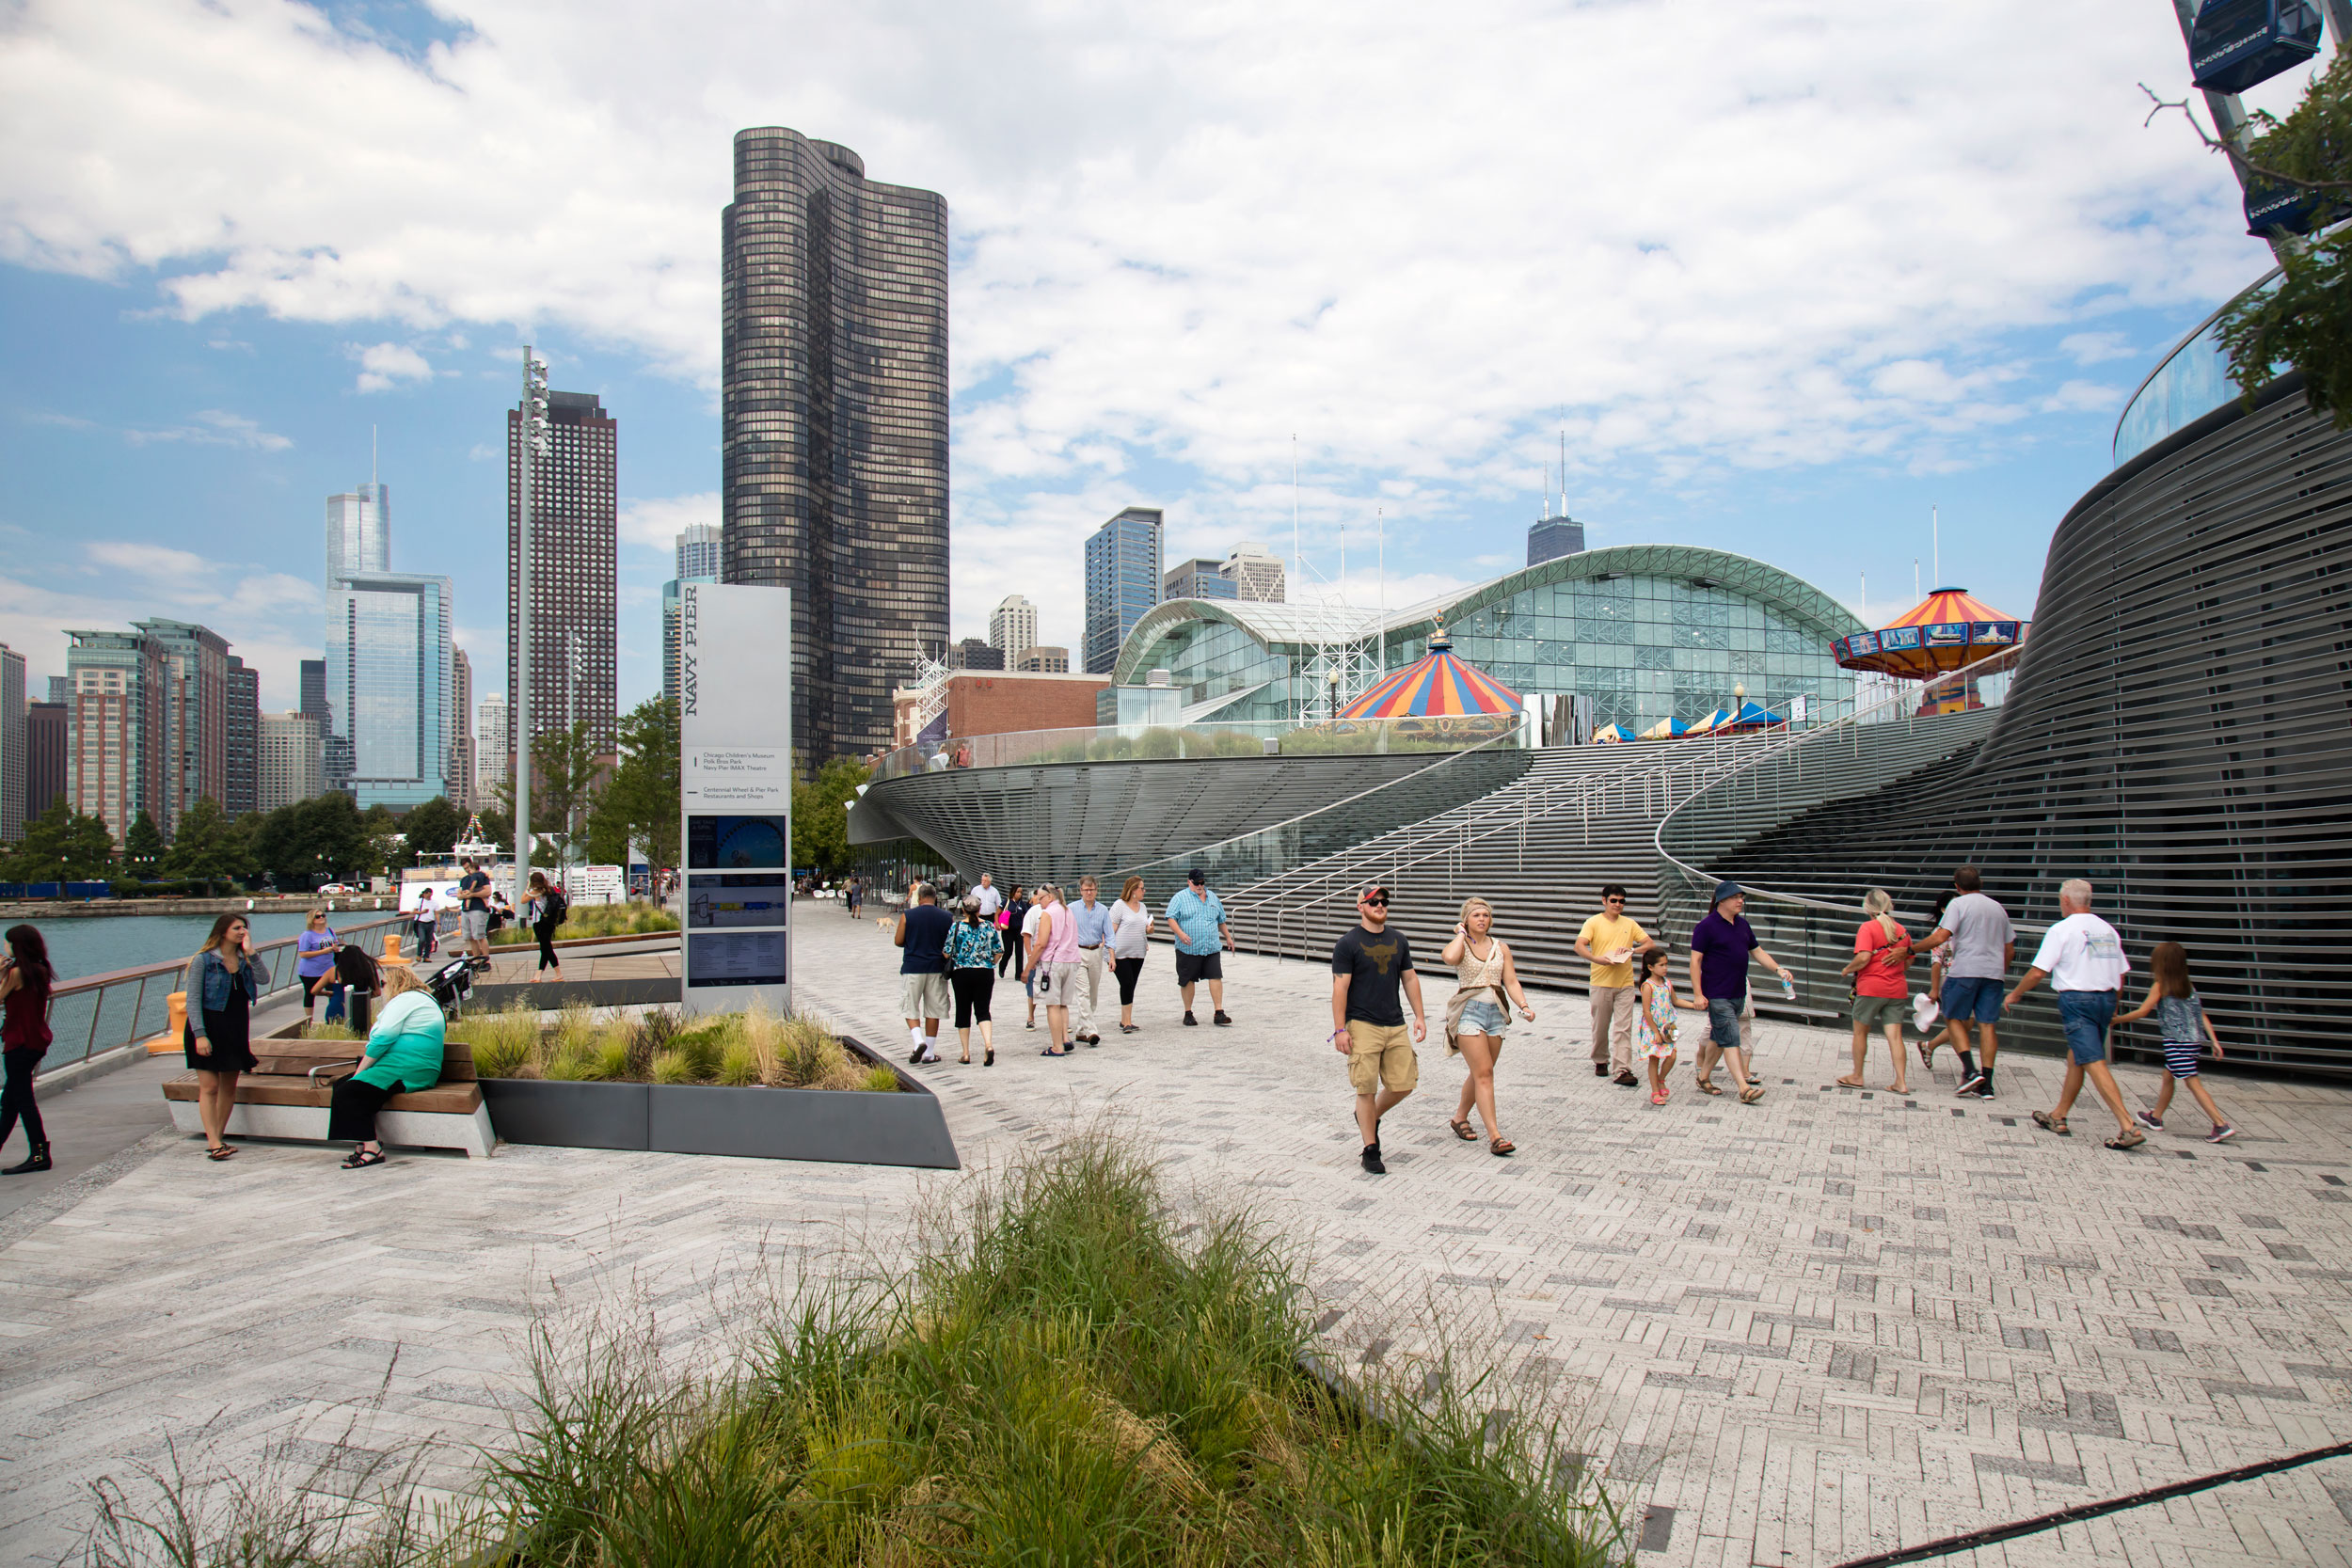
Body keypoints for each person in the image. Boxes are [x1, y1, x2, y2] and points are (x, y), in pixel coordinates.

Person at [2013, 879, 2141, 1150]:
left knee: (2093, 1060)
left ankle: (2127, 1125)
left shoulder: (2062, 929)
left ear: (2067, 900)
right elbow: (2120, 973)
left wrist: (2015, 993)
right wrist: (2113, 1003)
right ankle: (2059, 1115)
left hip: (2077, 1000)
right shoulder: (2106, 930)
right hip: (2105, 999)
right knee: (2077, 1058)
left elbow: (2038, 971)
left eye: (2061, 900)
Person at [1331, 886, 1425, 1175]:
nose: (1380, 905)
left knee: (1404, 1083)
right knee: (1366, 1087)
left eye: (1384, 901)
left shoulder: (1398, 940)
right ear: (1361, 906)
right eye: (1374, 901)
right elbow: (1340, 987)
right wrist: (1339, 1030)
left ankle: (1369, 1117)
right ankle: (1370, 1150)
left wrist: (1420, 1016)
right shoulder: (1348, 943)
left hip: (1395, 1023)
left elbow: (1409, 979)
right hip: (1362, 1024)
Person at [1908, 867, 2015, 1099]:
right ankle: (1987, 1085)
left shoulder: (1958, 905)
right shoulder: (1998, 908)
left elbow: (1939, 937)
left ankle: (1970, 1070)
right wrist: (2000, 971)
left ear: (1957, 886)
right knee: (1987, 1025)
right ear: (1981, 882)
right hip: (1993, 974)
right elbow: (2009, 948)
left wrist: (1910, 949)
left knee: (1954, 1019)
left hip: (1965, 971)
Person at [1439, 896, 1535, 1156]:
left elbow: (1511, 981)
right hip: (1469, 1011)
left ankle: (1460, 1117)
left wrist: (1524, 1006)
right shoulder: (1461, 945)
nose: (1482, 919)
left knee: (1482, 1071)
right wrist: (1460, 934)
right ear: (1466, 920)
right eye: (1476, 915)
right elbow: (1449, 957)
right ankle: (1496, 1136)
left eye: (1485, 915)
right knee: (1484, 1073)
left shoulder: (1500, 947)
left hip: (1495, 1012)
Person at [326, 965, 446, 1169]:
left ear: (396, 982)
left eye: (383, 983)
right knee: (342, 1086)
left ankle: (373, 1149)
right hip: (411, 1066)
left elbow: (384, 1037)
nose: (380, 987)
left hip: (408, 1068)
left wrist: (360, 1071)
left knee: (349, 1091)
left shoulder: (404, 1000)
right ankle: (362, 1142)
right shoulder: (422, 999)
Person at [1687, 881, 1791, 1104]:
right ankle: (1743, 1088)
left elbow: (1758, 952)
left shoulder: (1742, 925)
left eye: (1742, 897)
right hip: (1717, 993)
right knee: (1732, 1037)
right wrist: (1698, 993)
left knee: (1719, 1036)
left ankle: (1703, 1077)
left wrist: (1778, 969)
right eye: (1737, 897)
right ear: (1722, 900)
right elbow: (1695, 961)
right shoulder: (1706, 926)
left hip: (1737, 992)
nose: (1741, 901)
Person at [2122, 942, 2233, 1143]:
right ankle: (2155, 1118)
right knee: (2168, 1075)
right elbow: (2200, 1014)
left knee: (2192, 1081)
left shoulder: (2161, 985)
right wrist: (2214, 1040)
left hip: (2176, 1042)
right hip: (2193, 1041)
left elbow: (2143, 1011)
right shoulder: (2187, 985)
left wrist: (2115, 1020)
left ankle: (2220, 1124)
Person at [183, 913, 270, 1161]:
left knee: (228, 1087)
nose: (242, 932)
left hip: (235, 1027)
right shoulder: (204, 961)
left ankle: (216, 1139)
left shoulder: (244, 961)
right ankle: (213, 1142)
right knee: (209, 1087)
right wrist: (200, 1035)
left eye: (245, 928)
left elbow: (264, 979)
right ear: (223, 932)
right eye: (237, 928)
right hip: (209, 1027)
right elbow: (193, 1000)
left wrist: (251, 952)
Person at [1837, 889, 1913, 1094]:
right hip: (1896, 989)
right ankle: (1901, 1082)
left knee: (1861, 1033)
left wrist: (1847, 969)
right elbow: (1908, 961)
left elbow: (1863, 957)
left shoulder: (1867, 928)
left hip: (1871, 988)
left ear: (1867, 907)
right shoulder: (1902, 930)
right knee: (1895, 1036)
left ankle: (1857, 1075)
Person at [1575, 884, 1649, 1085]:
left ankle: (1622, 1070)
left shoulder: (1629, 923)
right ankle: (1600, 1060)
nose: (1618, 904)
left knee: (1623, 1028)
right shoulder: (1593, 922)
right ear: (1604, 901)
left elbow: (1649, 943)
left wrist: (1632, 950)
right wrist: (1597, 959)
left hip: (1625, 983)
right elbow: (1579, 945)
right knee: (1601, 1026)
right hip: (1601, 981)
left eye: (1621, 901)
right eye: (1614, 900)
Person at [0, 925, 56, 1175]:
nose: (4, 947)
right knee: (10, 1101)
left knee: (22, 1101)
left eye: (7, 942)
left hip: (20, 1044)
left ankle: (40, 1154)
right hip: (34, 1041)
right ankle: (38, 1153)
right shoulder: (39, 969)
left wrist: (2, 973)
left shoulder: (17, 973)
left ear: (16, 946)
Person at [1163, 868, 1232, 1026]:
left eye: (1202, 882)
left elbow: (1221, 919)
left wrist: (1228, 937)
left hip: (1211, 947)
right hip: (1188, 948)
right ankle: (1188, 1013)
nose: (1200, 886)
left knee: (1215, 976)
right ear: (1189, 882)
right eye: (1196, 883)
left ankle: (1219, 1012)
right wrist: (1180, 934)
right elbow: (1171, 918)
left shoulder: (1213, 897)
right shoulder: (1180, 898)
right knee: (1188, 980)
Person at [894, 881, 953, 1064]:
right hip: (936, 968)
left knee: (910, 1006)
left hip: (913, 966)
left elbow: (898, 941)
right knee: (933, 1010)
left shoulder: (908, 915)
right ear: (935, 898)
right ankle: (930, 1052)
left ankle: (918, 1040)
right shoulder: (947, 917)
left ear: (919, 898)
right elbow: (949, 944)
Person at [946, 895, 1002, 1066]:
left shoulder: (957, 927)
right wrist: (989, 962)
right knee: (983, 1010)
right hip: (984, 972)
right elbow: (998, 951)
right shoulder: (989, 927)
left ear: (963, 909)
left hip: (962, 973)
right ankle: (988, 1044)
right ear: (980, 910)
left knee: (963, 1010)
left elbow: (947, 951)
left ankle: (965, 1053)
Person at [1635, 945, 1691, 1105]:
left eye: (1666, 964)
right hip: (1652, 1028)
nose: (1665, 968)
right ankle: (1654, 1091)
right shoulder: (1648, 986)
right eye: (1661, 965)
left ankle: (1661, 1079)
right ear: (1650, 967)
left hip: (1667, 1027)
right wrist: (1655, 1032)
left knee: (1672, 1056)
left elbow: (1676, 1001)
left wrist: (1694, 1005)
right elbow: (1646, 1011)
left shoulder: (1667, 983)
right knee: (1654, 1059)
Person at [1033, 883, 1082, 1056]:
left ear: (1050, 897)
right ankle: (1064, 1039)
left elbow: (1041, 943)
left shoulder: (1048, 913)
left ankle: (1057, 1046)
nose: (1039, 902)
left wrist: (1028, 965)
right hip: (1071, 959)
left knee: (1052, 1004)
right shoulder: (1067, 911)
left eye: (1041, 898)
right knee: (1063, 1003)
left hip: (1054, 962)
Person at [1068, 876, 1112, 1046]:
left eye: (1092, 889)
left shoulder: (1102, 910)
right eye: (1086, 889)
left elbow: (1109, 935)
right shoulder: (1071, 909)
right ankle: (1092, 1030)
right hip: (1078, 951)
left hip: (1096, 951)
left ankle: (1081, 1030)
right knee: (1083, 992)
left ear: (1096, 890)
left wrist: (1111, 956)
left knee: (1093, 994)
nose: (1089, 892)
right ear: (1081, 891)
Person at [1109, 875, 1152, 1034]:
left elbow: (1143, 927)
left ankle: (1124, 1020)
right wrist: (1110, 954)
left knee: (1131, 985)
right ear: (1133, 890)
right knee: (1126, 983)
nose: (1144, 891)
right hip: (1121, 954)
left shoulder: (1143, 907)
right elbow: (1110, 930)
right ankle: (1127, 1022)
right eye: (1141, 888)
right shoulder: (1119, 906)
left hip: (1138, 952)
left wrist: (1149, 931)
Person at [296, 909, 339, 1028]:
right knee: (310, 994)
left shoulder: (330, 931)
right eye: (318, 916)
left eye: (323, 915)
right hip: (310, 970)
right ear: (312, 920)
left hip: (329, 968)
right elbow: (303, 954)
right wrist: (323, 951)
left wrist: (335, 949)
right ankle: (309, 1021)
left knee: (335, 993)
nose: (321, 918)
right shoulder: (307, 935)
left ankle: (333, 1019)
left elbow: (335, 944)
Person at [525, 872, 565, 982]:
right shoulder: (549, 890)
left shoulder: (535, 892)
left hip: (539, 923)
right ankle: (541, 974)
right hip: (549, 922)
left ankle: (556, 974)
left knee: (546, 949)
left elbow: (522, 900)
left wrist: (527, 887)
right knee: (546, 948)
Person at [455, 857, 494, 972]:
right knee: (470, 936)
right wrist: (465, 895)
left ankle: (485, 960)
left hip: (478, 908)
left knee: (480, 935)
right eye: (465, 868)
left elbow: (487, 892)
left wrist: (472, 894)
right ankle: (477, 960)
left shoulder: (482, 876)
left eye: (468, 867)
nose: (467, 870)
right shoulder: (464, 879)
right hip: (466, 910)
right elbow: (459, 895)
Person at [999, 886, 1029, 979]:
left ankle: (1018, 974)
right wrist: (997, 923)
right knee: (1008, 951)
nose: (1019, 894)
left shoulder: (1022, 904)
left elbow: (1026, 914)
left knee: (1019, 952)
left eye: (1021, 892)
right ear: (1013, 892)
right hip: (1008, 930)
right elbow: (998, 913)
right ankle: (1002, 967)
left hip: (1018, 930)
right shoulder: (1006, 902)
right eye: (1017, 892)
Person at [409, 887, 438, 962]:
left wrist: (439, 923)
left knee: (429, 941)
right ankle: (419, 954)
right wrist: (422, 912)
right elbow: (414, 911)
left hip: (430, 923)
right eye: (425, 894)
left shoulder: (434, 903)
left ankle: (426, 956)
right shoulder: (420, 901)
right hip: (421, 923)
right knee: (422, 939)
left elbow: (436, 913)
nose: (426, 896)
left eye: (428, 894)